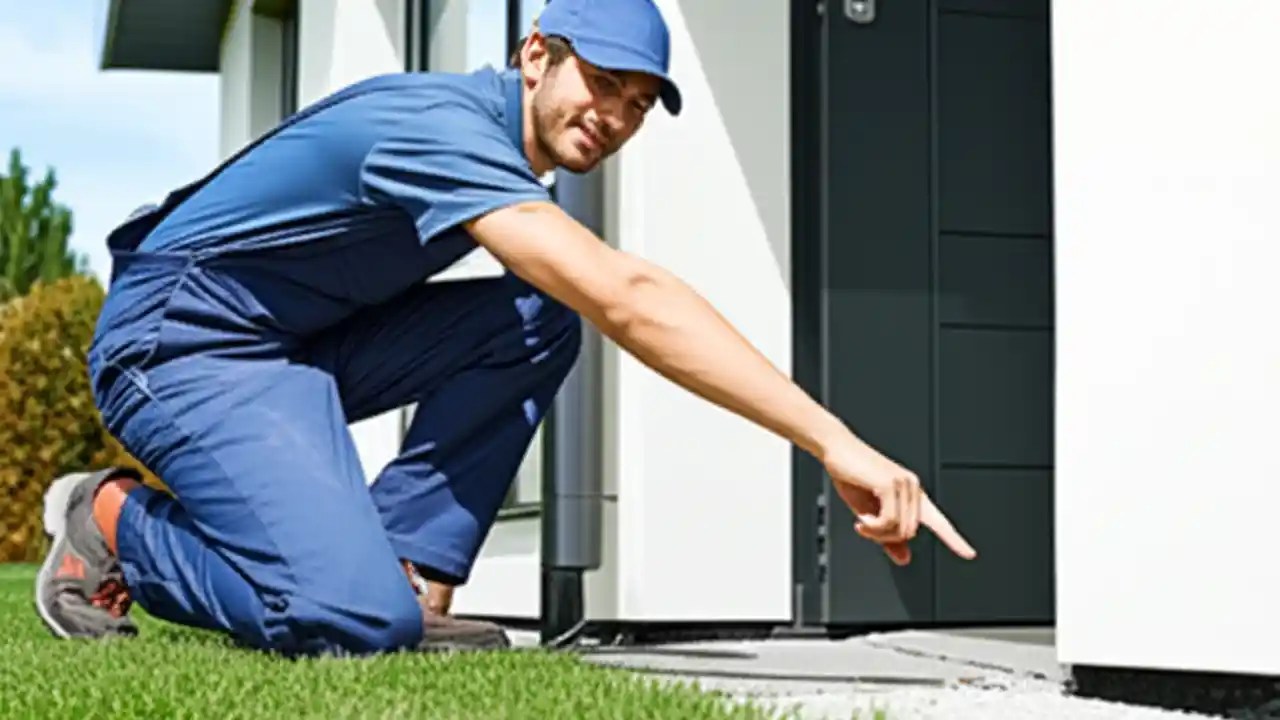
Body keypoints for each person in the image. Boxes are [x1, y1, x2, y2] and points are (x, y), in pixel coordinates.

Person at [34, 0, 976, 656]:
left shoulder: (494, 150)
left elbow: (581, 298)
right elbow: (629, 296)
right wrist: (833, 441)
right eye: (602, 81)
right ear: (536, 55)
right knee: (347, 623)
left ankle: (409, 572)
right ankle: (114, 519)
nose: (614, 116)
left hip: (287, 346)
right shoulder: (440, 129)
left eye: (639, 104)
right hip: (177, 344)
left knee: (534, 317)